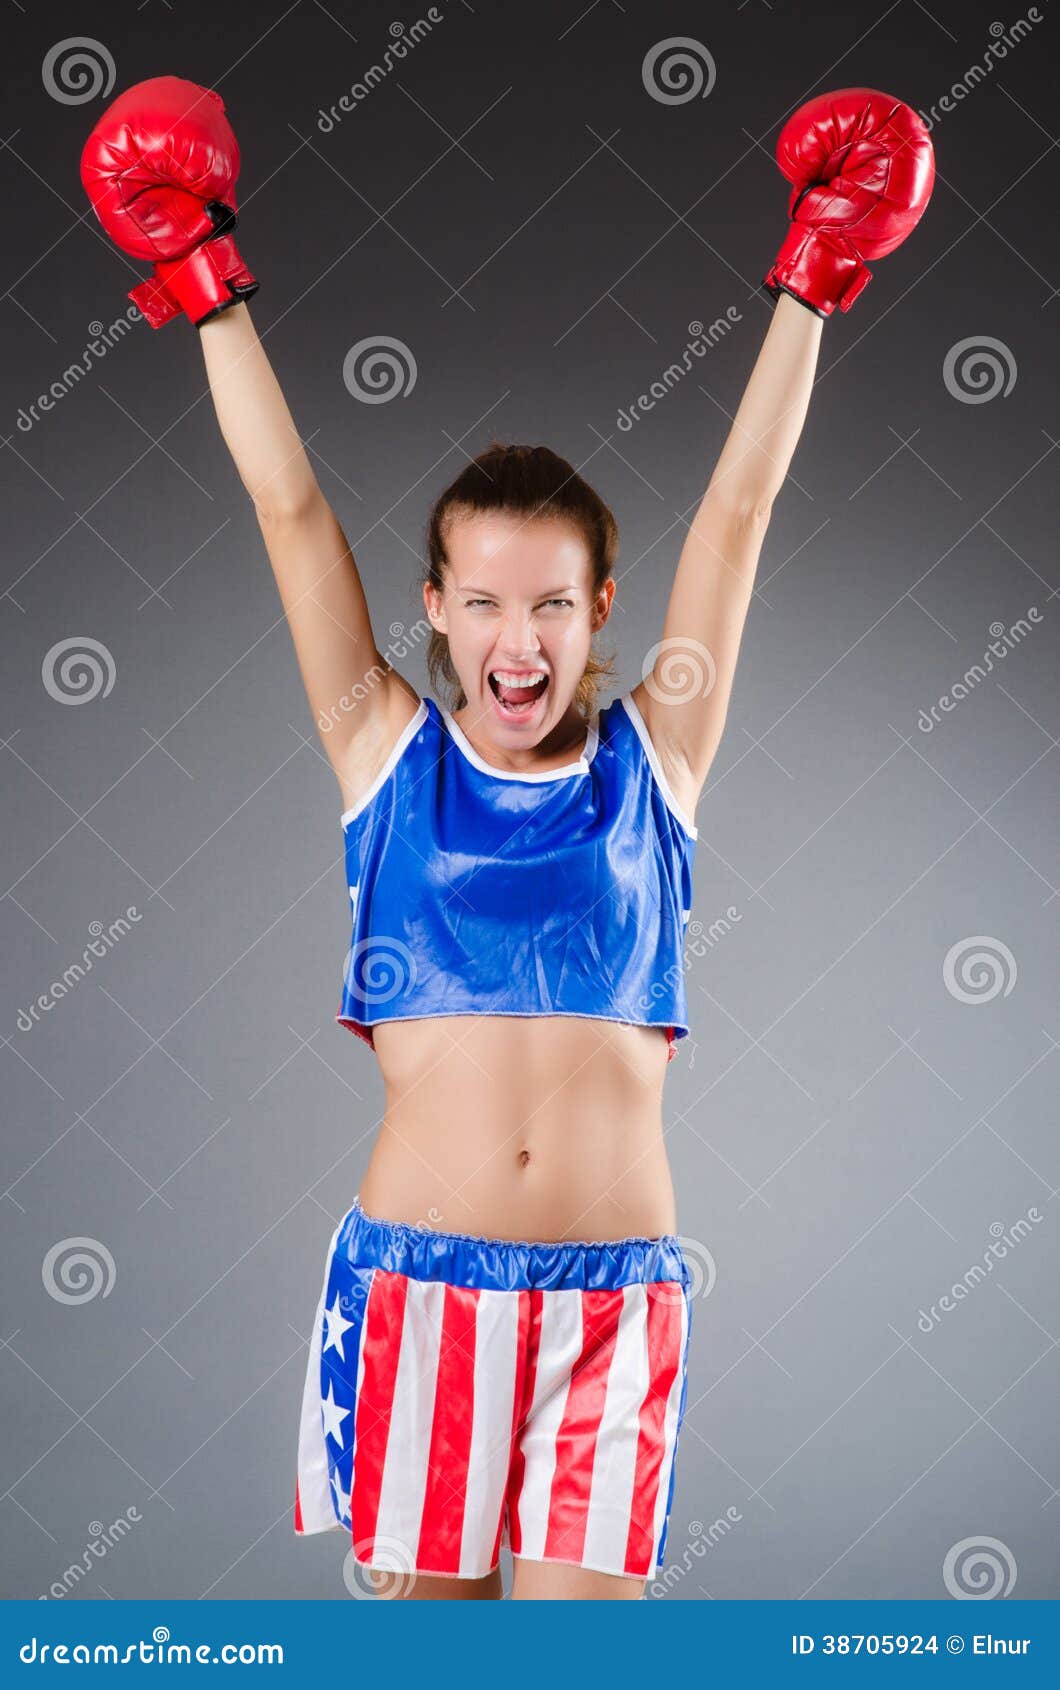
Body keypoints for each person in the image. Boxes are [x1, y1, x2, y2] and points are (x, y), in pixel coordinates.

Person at [81, 77, 934, 1601]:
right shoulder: (382, 752)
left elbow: (737, 511)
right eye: (480, 599)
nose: (516, 634)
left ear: (600, 608)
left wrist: (809, 277)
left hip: (615, 1310)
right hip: (426, 1299)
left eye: (550, 599)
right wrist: (208, 285)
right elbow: (288, 509)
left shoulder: (656, 762)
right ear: (436, 609)